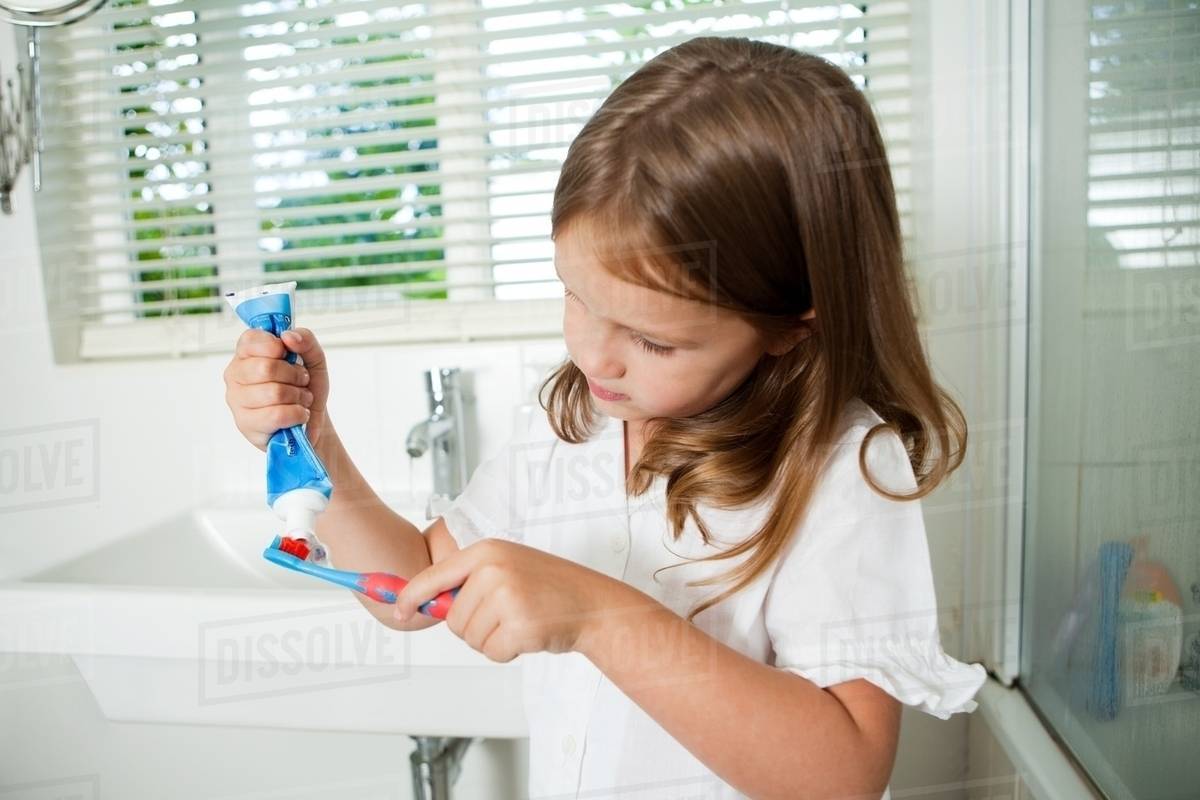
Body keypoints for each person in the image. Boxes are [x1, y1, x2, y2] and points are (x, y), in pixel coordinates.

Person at [223, 36, 988, 800]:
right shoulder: (569, 427)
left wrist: (598, 615)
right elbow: (416, 588)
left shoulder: (841, 467)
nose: (595, 356)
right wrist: (315, 438)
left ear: (793, 323)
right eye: (575, 297)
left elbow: (842, 776)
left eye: (653, 339)